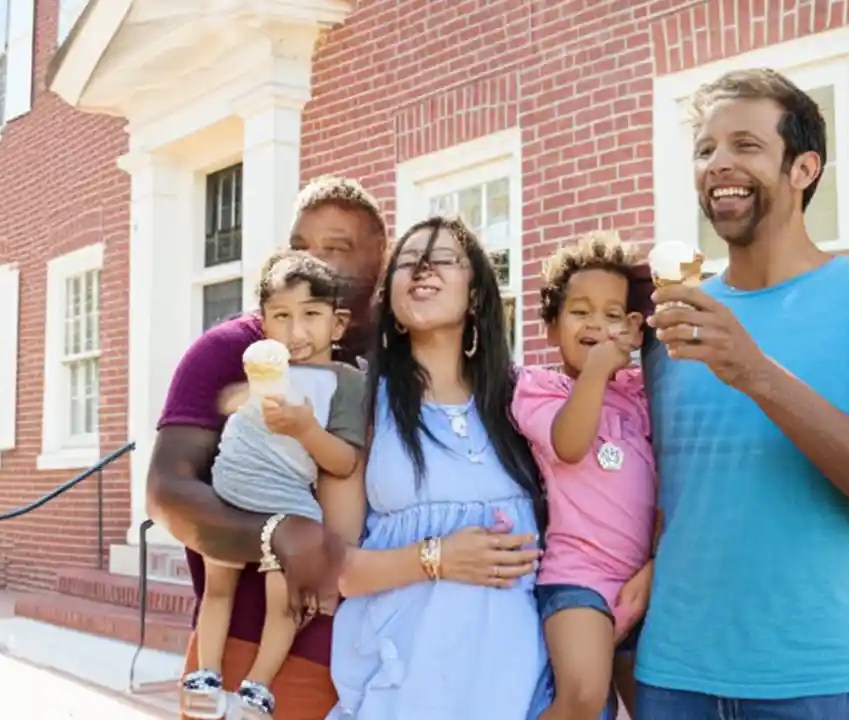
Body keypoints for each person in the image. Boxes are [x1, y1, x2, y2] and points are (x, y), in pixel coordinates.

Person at [634, 69, 849, 719]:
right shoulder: (670, 321)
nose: (718, 164)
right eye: (705, 150)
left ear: (804, 168)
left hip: (817, 686)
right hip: (671, 678)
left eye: (745, 145)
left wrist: (757, 373)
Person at [148, 176, 387, 720]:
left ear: (380, 259)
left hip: (383, 645)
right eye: (300, 248)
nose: (314, 263)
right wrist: (277, 535)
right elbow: (166, 491)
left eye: (336, 248)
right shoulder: (230, 350)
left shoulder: (397, 361)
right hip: (247, 641)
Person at [325, 216, 547, 719]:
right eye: (407, 262)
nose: (422, 268)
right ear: (395, 309)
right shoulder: (360, 401)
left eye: (444, 258)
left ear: (475, 298)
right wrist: (437, 557)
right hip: (406, 687)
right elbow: (338, 570)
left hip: (516, 689)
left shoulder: (524, 402)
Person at [181, 251, 368, 719]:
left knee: (283, 604)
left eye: (311, 315)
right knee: (217, 588)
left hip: (287, 503)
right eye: (281, 317)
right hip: (229, 493)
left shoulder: (343, 382)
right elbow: (230, 406)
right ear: (263, 324)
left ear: (337, 324)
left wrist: (306, 429)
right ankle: (206, 676)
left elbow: (344, 461)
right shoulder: (264, 370)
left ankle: (257, 687)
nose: (296, 331)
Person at [515, 232, 657, 720]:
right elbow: (569, 445)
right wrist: (595, 373)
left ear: (635, 330)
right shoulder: (540, 389)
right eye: (580, 311)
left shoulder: (643, 394)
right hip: (577, 578)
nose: (597, 323)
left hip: (643, 579)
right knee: (583, 699)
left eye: (613, 315)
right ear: (552, 328)